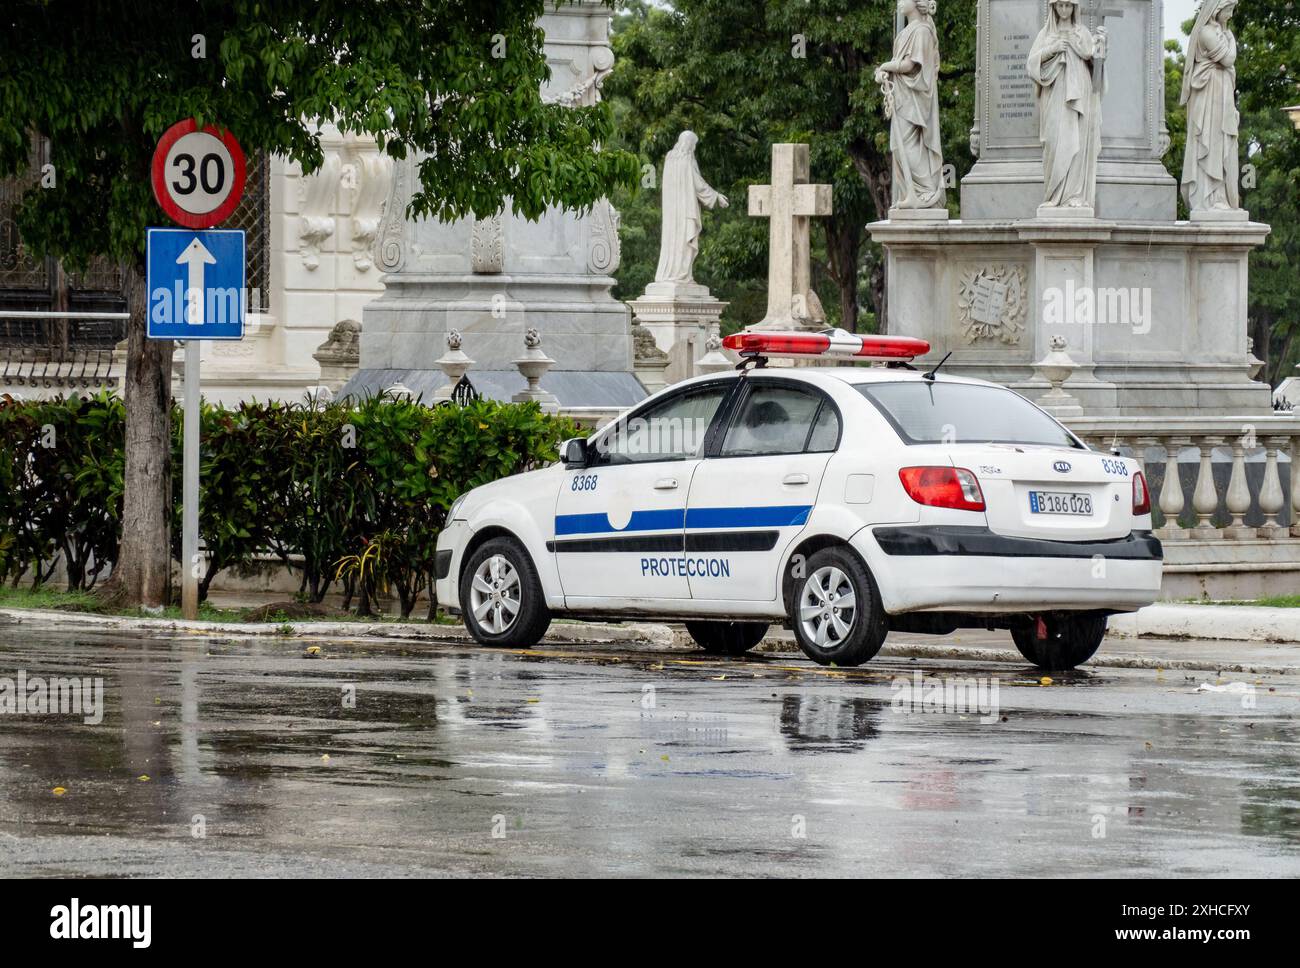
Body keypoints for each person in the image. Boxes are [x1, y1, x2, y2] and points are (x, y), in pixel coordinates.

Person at [1026, 0, 1106, 210]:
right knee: (1054, 141)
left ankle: (1074, 195)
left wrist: (1101, 46)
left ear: (1074, 8)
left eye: (1068, 6)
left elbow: (1096, 67)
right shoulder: (1046, 34)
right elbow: (1031, 65)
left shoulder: (1083, 33)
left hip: (1080, 91)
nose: (1063, 10)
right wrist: (1052, 49)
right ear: (1053, 8)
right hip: (1054, 93)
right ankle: (1053, 195)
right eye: (1059, 6)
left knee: (1077, 143)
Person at [875, 0, 946, 210]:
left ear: (916, 3)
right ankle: (909, 192)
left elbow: (911, 65)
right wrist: (885, 73)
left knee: (908, 146)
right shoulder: (905, 32)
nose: (898, 3)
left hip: (915, 98)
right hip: (902, 96)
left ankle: (925, 190)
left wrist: (886, 66)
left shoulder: (922, 31)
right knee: (898, 146)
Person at [1180, 0, 1240, 212]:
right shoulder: (1206, 32)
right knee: (1210, 140)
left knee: (1222, 142)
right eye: (1229, 10)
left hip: (1221, 92)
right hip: (1209, 94)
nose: (1231, 15)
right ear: (1217, 10)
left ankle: (1220, 195)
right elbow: (1228, 59)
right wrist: (1231, 39)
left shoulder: (1220, 32)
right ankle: (1209, 197)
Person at [653, 131, 728, 285]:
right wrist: (716, 196)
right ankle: (681, 275)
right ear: (689, 144)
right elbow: (698, 184)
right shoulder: (687, 159)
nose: (694, 148)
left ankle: (669, 274)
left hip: (672, 213)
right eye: (694, 144)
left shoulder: (670, 158)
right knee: (684, 242)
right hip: (685, 210)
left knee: (673, 242)